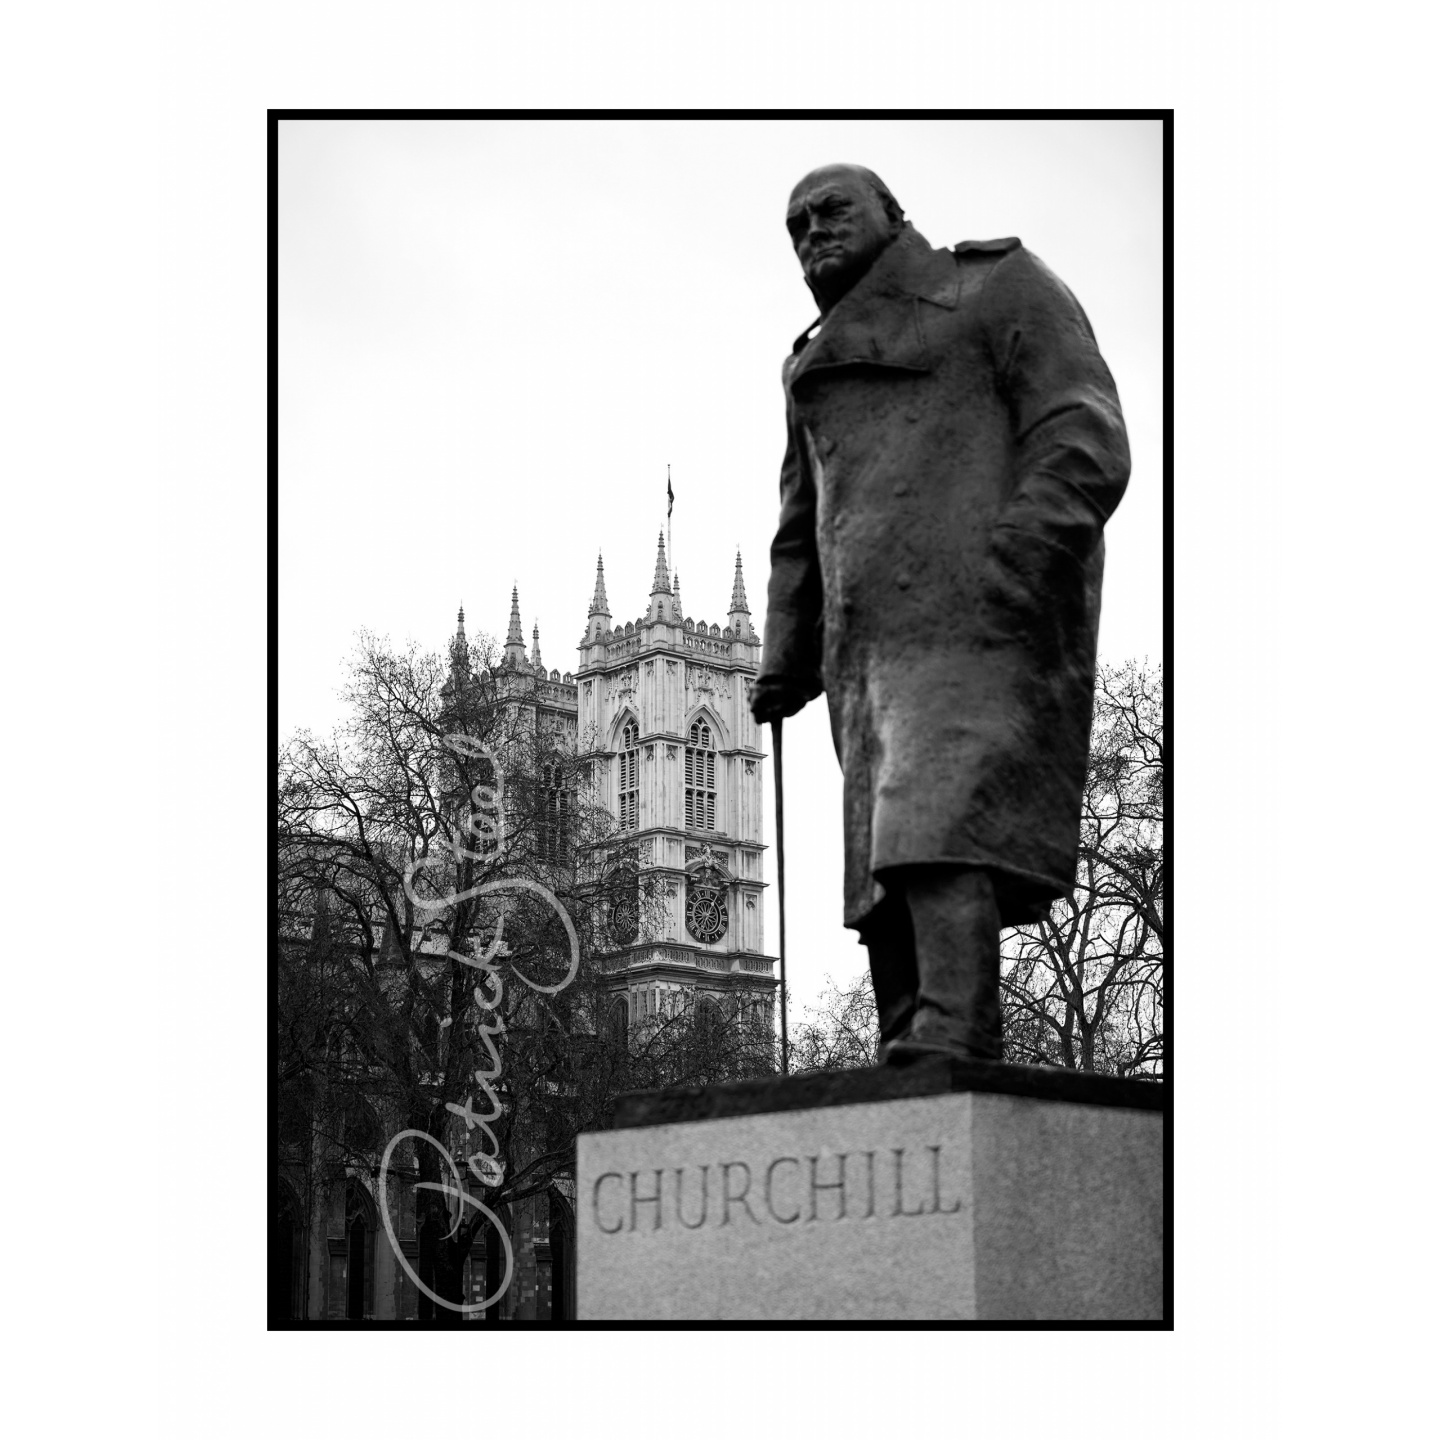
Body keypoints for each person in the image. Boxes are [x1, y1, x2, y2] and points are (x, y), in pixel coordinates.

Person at [750, 165, 1131, 1063]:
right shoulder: (809, 362)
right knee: (881, 853)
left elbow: (1084, 432)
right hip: (864, 645)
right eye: (796, 225)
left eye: (833, 210)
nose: (812, 232)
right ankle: (906, 1036)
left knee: (936, 821)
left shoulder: (997, 287)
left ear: (893, 214)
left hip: (980, 619)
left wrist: (1020, 558)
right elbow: (801, 524)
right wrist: (784, 654)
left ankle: (957, 1028)